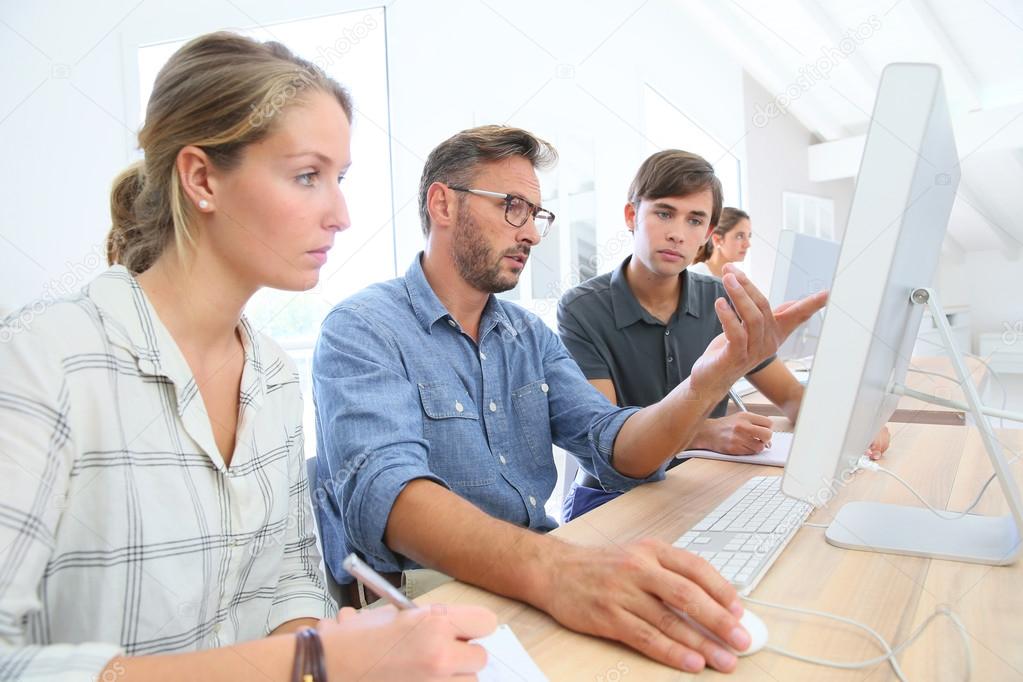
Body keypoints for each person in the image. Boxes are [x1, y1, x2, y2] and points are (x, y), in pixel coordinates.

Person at [0, 32, 494, 682]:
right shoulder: (42, 361)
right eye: (306, 176)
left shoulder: (272, 375)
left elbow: (291, 581)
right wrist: (310, 662)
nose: (341, 214)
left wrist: (329, 651)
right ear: (202, 177)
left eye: (339, 179)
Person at [312, 125, 827, 674]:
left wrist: (706, 383)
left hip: (539, 572)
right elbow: (389, 496)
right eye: (513, 207)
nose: (532, 234)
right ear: (442, 203)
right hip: (430, 598)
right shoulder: (363, 328)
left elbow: (615, 445)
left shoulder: (526, 335)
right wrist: (558, 570)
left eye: (537, 214)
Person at [558, 149, 891, 521]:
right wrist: (703, 433)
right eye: (664, 213)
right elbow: (605, 435)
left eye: (695, 220)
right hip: (612, 498)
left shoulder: (719, 300)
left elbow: (793, 398)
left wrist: (848, 424)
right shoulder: (581, 308)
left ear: (707, 236)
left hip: (698, 484)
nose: (677, 233)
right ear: (632, 215)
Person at [688, 207, 752, 278]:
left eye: (749, 236)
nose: (747, 244)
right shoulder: (696, 275)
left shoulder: (738, 278)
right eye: (739, 236)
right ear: (717, 240)